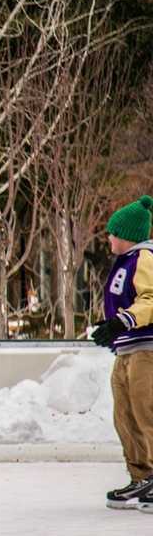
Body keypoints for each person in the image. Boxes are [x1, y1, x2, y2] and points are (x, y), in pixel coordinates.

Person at [91, 196, 153, 510]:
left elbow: (151, 299)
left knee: (147, 413)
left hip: (147, 349)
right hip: (128, 348)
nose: (109, 237)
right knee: (125, 416)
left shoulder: (145, 258)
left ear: (127, 234)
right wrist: (112, 326)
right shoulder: (126, 261)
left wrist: (123, 321)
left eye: (113, 232)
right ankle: (142, 477)